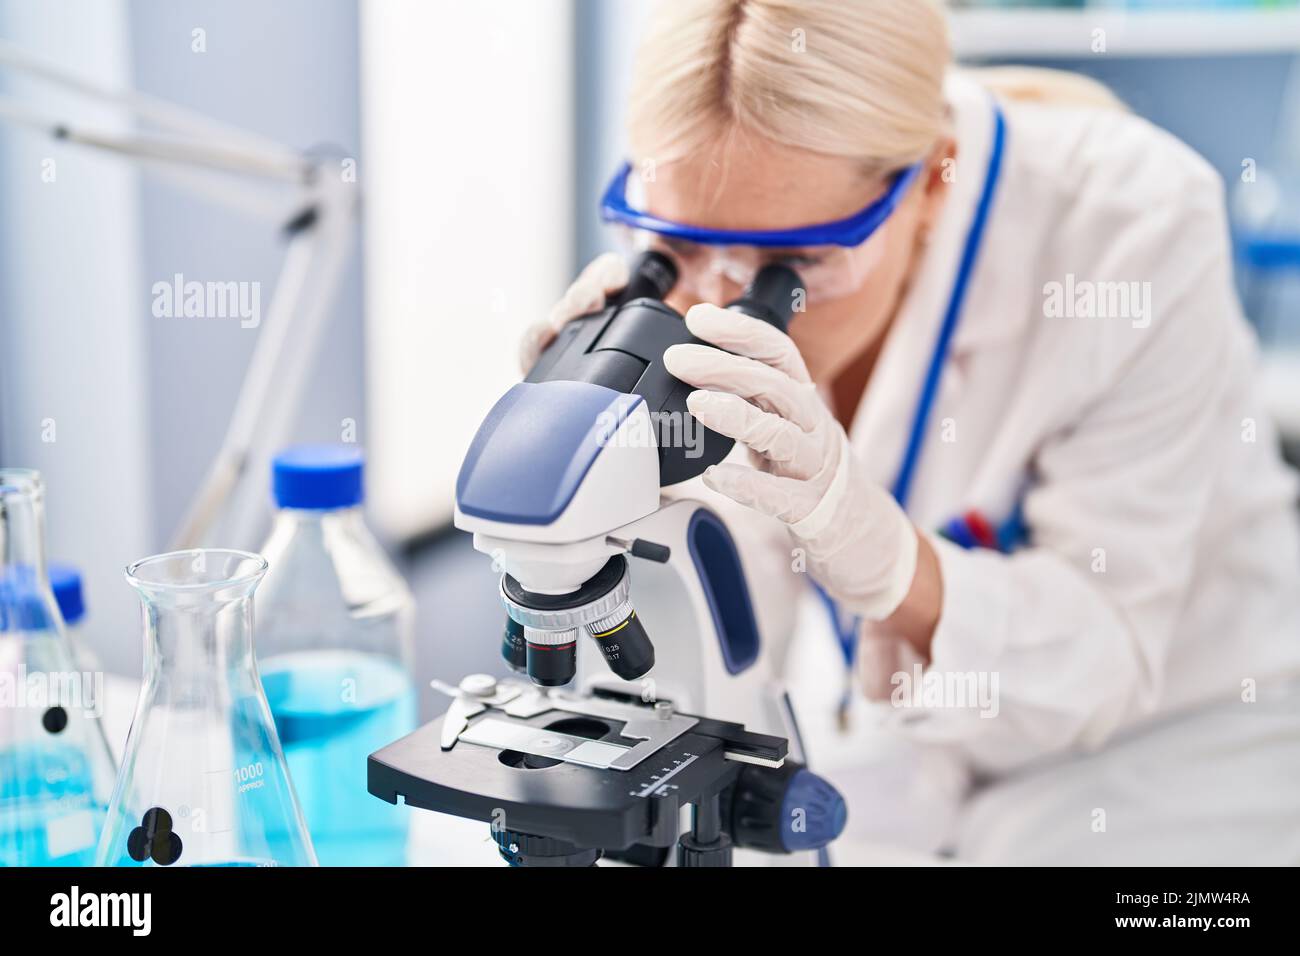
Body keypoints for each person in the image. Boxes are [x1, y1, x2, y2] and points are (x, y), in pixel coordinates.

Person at [521, 0, 1300, 864]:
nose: (712, 304)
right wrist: (599, 468)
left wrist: (887, 560)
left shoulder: (1133, 226)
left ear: (934, 179)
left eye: (793, 266)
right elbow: (730, 642)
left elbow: (1104, 655)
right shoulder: (708, 257)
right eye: (675, 245)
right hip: (903, 749)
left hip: (1177, 740)